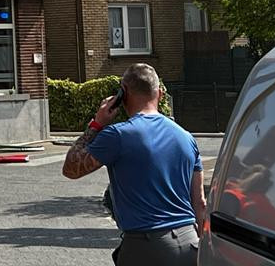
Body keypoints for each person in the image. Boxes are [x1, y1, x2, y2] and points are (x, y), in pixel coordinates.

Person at [61, 63, 205, 266]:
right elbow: (199, 203)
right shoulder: (187, 138)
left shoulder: (118, 135)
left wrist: (97, 124)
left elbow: (71, 169)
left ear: (123, 94)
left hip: (146, 247)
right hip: (190, 242)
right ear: (160, 94)